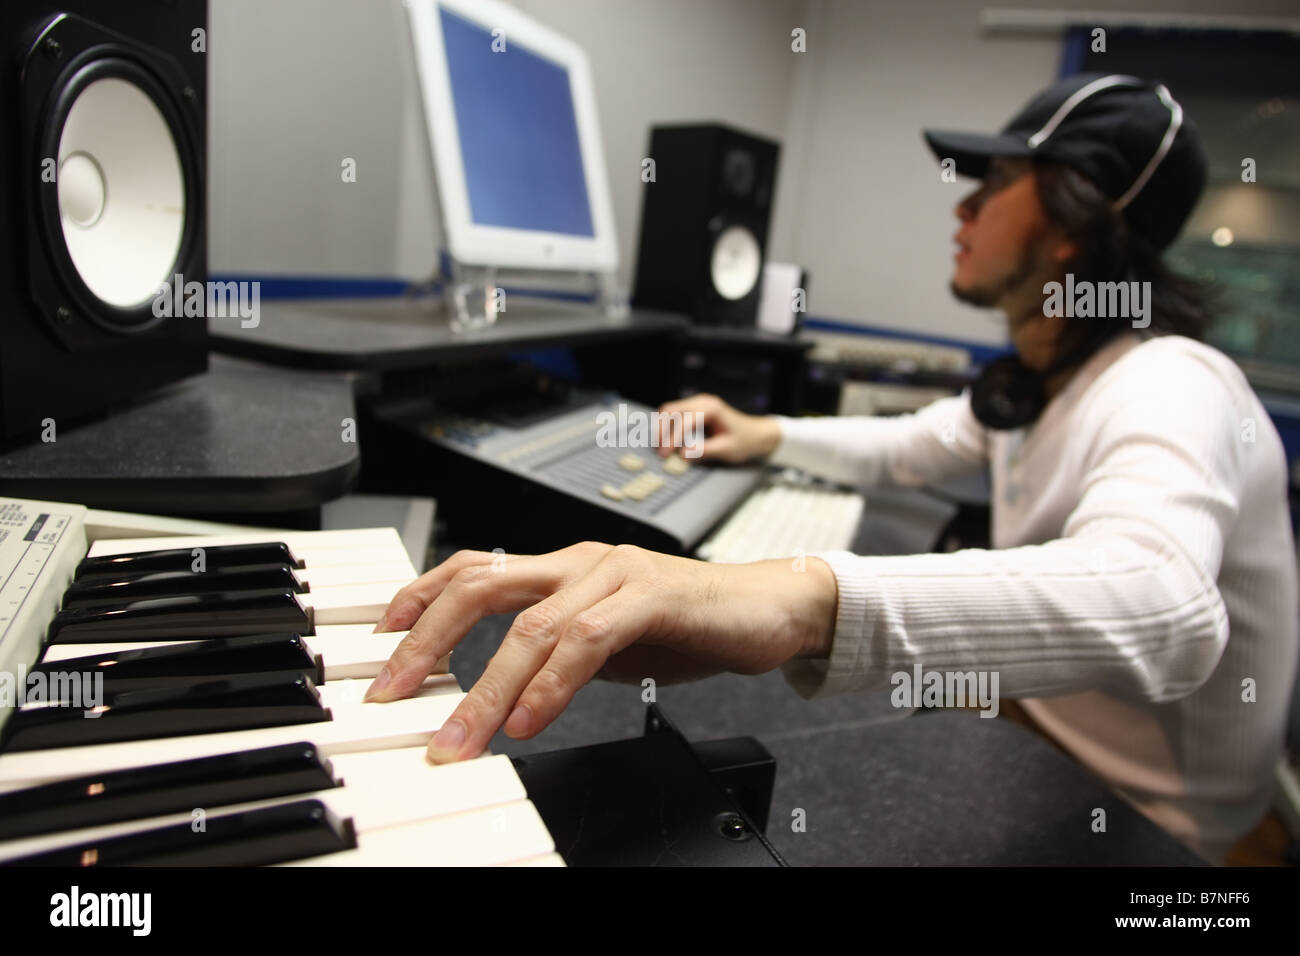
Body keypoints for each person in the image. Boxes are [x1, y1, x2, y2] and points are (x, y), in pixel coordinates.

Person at [366, 73, 1298, 863]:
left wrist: (794, 599)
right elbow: (911, 446)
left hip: (1162, 823)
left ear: (1075, 225)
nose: (962, 206)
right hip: (1035, 727)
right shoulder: (1044, 383)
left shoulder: (1175, 381)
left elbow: (1166, 605)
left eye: (1000, 180)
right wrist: (762, 434)